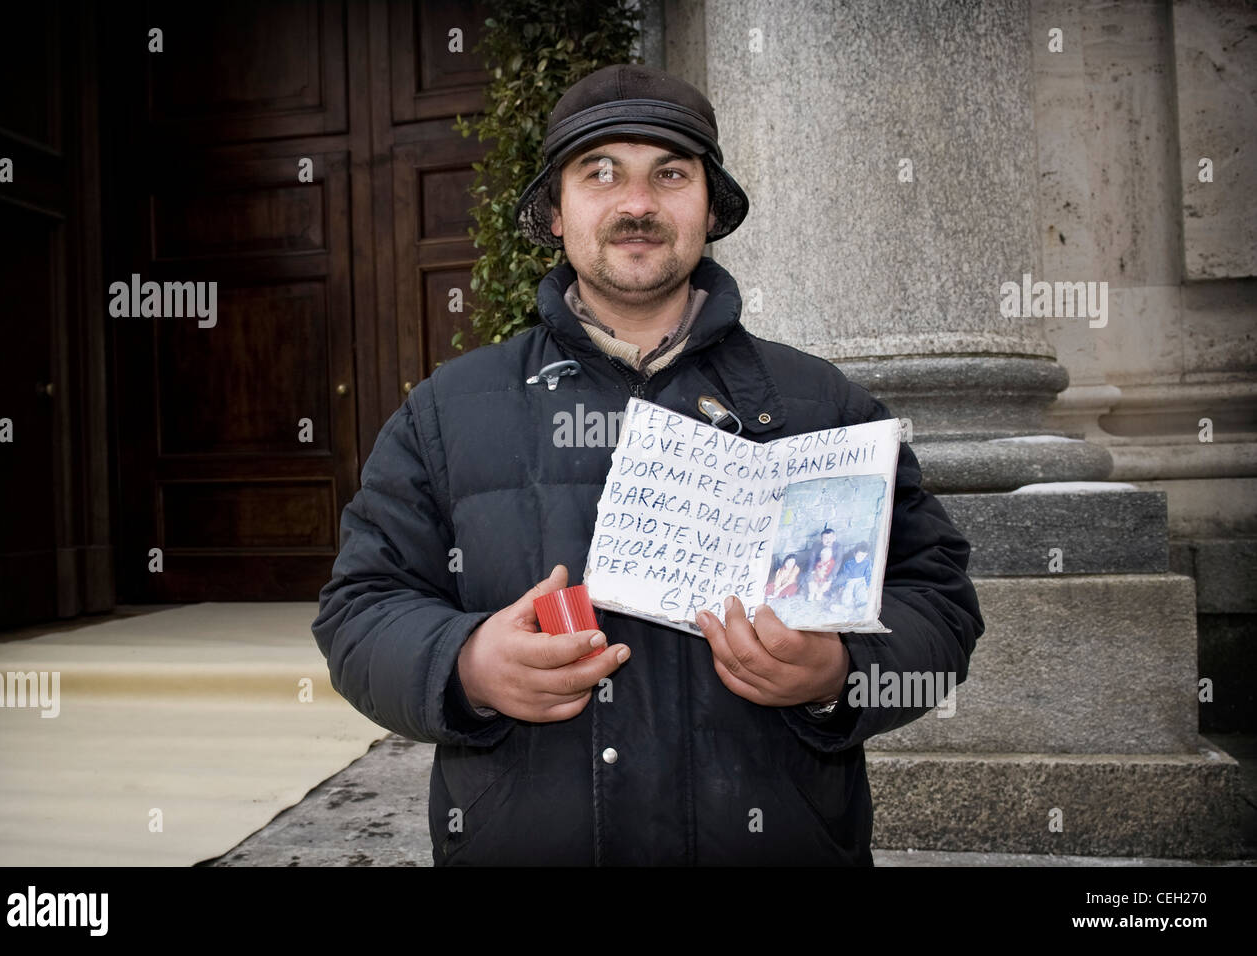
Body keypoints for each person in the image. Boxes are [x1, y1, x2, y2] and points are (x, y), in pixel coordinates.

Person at [312, 63, 984, 866]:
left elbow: (938, 600)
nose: (636, 204)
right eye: (600, 174)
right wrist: (468, 665)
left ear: (709, 209)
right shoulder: (448, 412)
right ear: (556, 212)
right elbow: (358, 611)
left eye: (670, 174)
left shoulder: (823, 404)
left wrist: (840, 672)